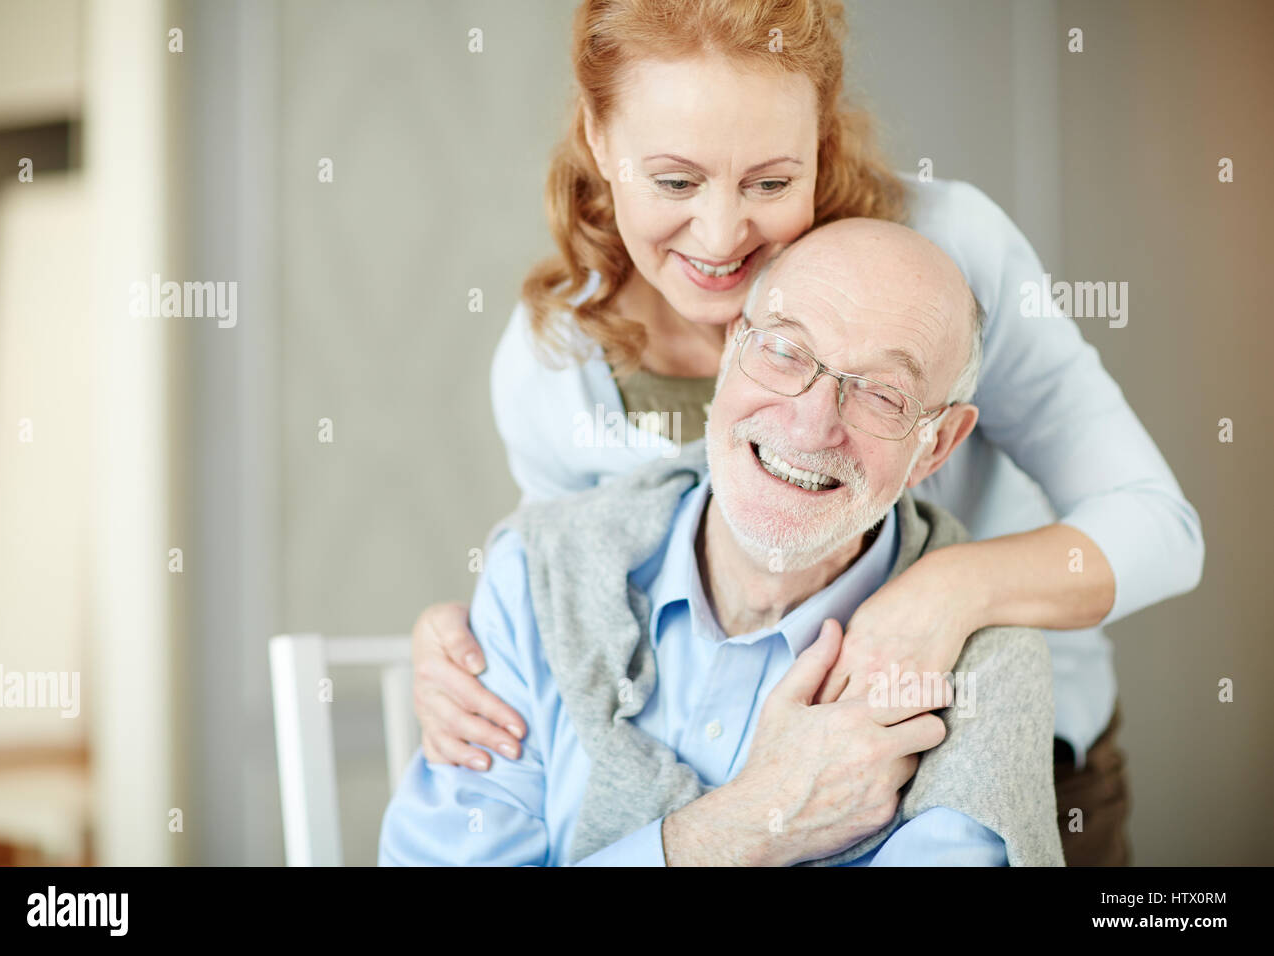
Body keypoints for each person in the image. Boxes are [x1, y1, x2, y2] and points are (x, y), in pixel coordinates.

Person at [409, 0, 1203, 865]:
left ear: (821, 142)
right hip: (705, 799)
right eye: (675, 182)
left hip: (998, 766)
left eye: (770, 181)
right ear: (598, 137)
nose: (721, 237)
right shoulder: (554, 360)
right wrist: (465, 647)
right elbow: (571, 594)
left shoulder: (951, 250)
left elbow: (1159, 527)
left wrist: (944, 595)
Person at [380, 219, 1063, 866]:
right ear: (734, 345)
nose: (811, 421)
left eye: (882, 394)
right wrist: (744, 826)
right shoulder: (538, 574)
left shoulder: (984, 671)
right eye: (787, 351)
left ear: (935, 444)